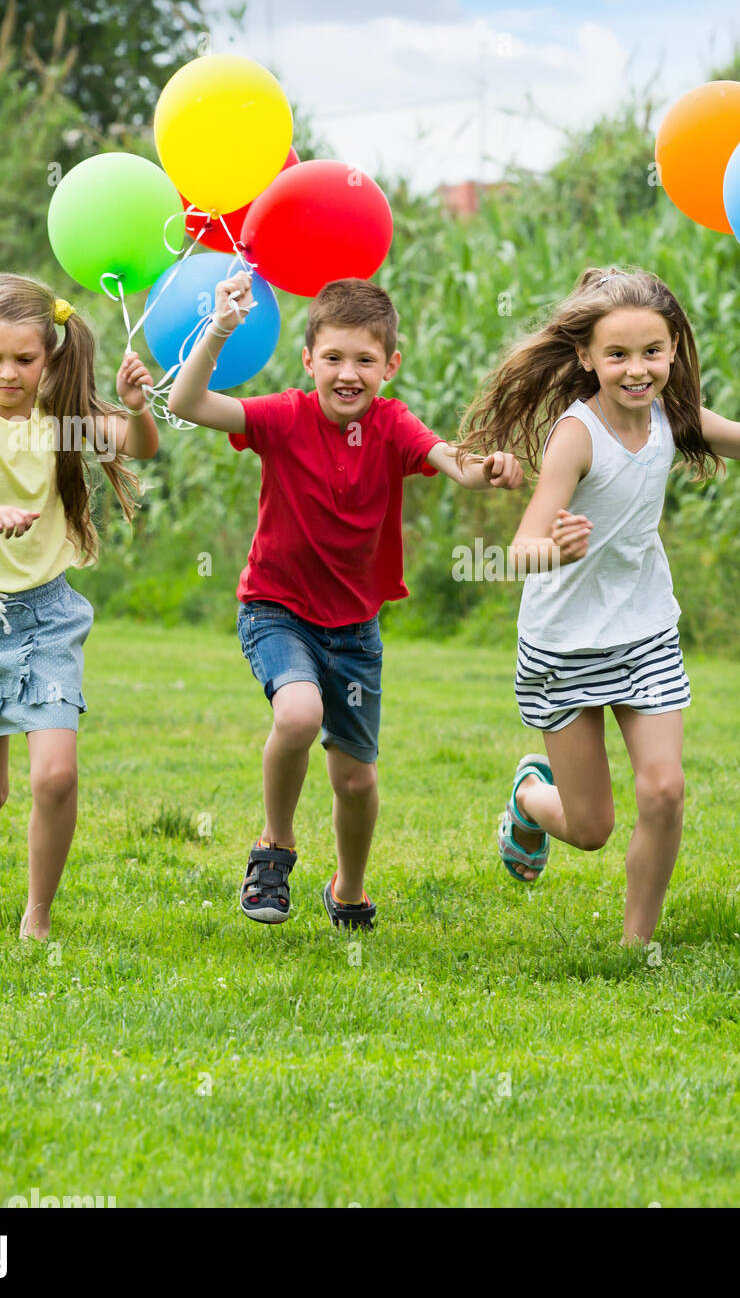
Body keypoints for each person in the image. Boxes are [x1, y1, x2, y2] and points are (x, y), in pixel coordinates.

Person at [456, 266, 740, 944]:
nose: (636, 369)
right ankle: (528, 795)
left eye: (651, 352)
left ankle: (636, 945)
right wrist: (554, 547)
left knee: (664, 789)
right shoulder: (576, 436)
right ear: (586, 358)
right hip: (564, 644)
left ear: (672, 350)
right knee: (590, 828)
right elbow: (521, 547)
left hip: (645, 633)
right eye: (617, 354)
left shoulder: (674, 418)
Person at [167, 273, 523, 931]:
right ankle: (274, 848)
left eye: (365, 359)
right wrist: (220, 325)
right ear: (308, 361)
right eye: (333, 357)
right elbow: (189, 404)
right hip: (277, 609)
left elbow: (451, 460)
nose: (348, 374)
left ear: (391, 363)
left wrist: (492, 466)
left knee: (356, 781)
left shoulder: (392, 424)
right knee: (298, 714)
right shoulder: (283, 416)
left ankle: (349, 889)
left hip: (355, 629)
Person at [0, 273, 158, 940]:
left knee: (55, 774)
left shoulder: (62, 419)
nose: (9, 373)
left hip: (45, 615)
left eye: (24, 359)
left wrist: (136, 406)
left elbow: (142, 444)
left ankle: (38, 917)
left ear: (48, 356)